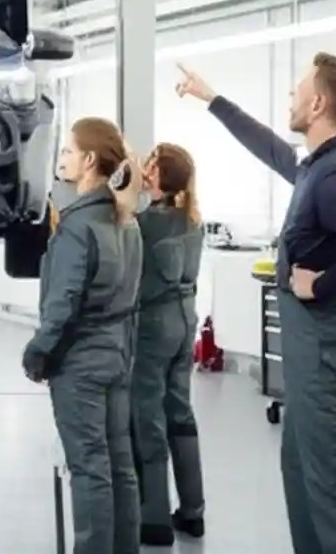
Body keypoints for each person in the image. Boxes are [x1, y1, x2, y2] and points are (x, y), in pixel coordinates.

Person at [176, 55, 336, 554]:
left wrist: (319, 286)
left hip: (325, 350)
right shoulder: (321, 165)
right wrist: (212, 99)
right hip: (311, 353)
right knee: (299, 469)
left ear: (317, 103)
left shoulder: (333, 176)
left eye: (298, 91)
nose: (291, 99)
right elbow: (271, 149)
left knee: (329, 484)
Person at [22, 117, 145, 554]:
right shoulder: (127, 223)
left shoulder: (76, 227)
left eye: (68, 152)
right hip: (118, 356)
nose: (63, 159)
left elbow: (64, 301)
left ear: (89, 160)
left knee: (90, 468)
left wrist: (39, 351)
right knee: (120, 464)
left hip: (80, 363)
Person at [131, 143, 207, 547]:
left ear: (165, 176)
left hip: (154, 325)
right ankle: (193, 512)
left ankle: (155, 518)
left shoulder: (145, 224)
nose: (144, 170)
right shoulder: (192, 219)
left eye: (152, 166)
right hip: (185, 320)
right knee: (181, 412)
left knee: (148, 416)